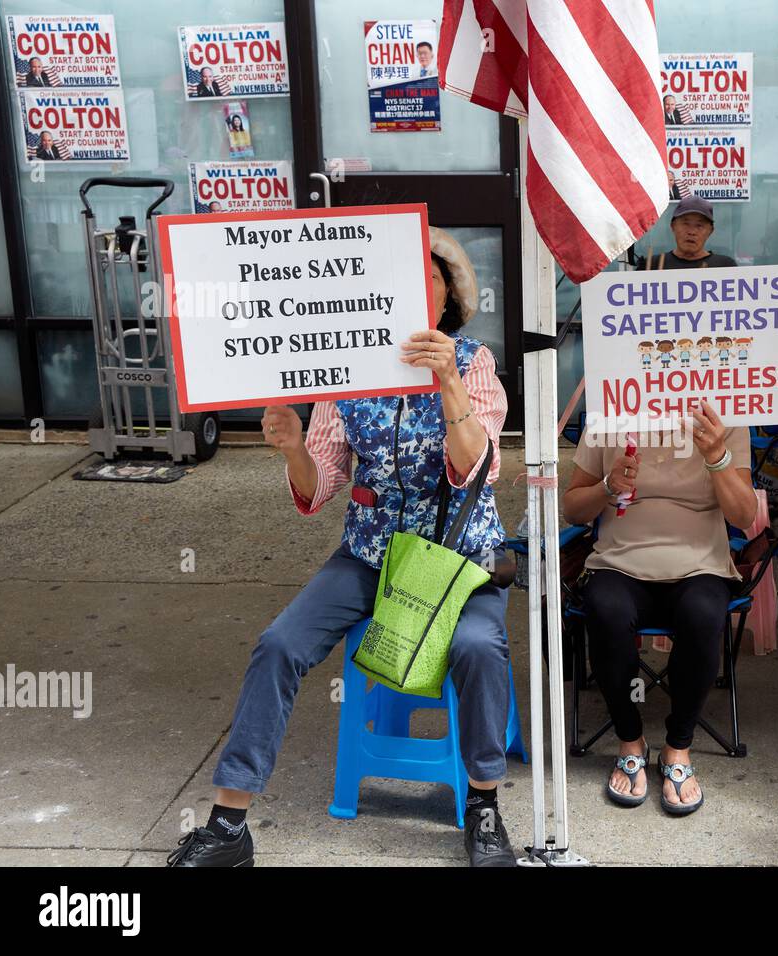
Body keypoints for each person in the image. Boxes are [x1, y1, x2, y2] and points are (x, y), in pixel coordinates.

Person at [167, 228, 520, 868]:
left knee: (476, 647)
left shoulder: (473, 363)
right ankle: (228, 824)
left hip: (456, 560)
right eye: (400, 275)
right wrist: (295, 447)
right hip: (369, 557)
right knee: (279, 644)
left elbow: (477, 469)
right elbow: (319, 488)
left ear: (447, 297)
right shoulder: (345, 371)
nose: (416, 288)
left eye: (429, 276)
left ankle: (486, 805)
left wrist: (448, 386)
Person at [563, 404, 757, 815]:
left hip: (701, 563)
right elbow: (573, 509)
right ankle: (630, 739)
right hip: (621, 561)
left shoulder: (726, 417)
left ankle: (678, 747)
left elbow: (744, 515)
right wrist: (607, 486)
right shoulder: (610, 413)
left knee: (704, 613)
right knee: (605, 608)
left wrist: (718, 457)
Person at [640, 196, 735, 270]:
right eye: (685, 224)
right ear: (673, 226)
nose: (692, 232)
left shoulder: (725, 267)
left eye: (699, 225)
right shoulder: (652, 266)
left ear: (710, 231)